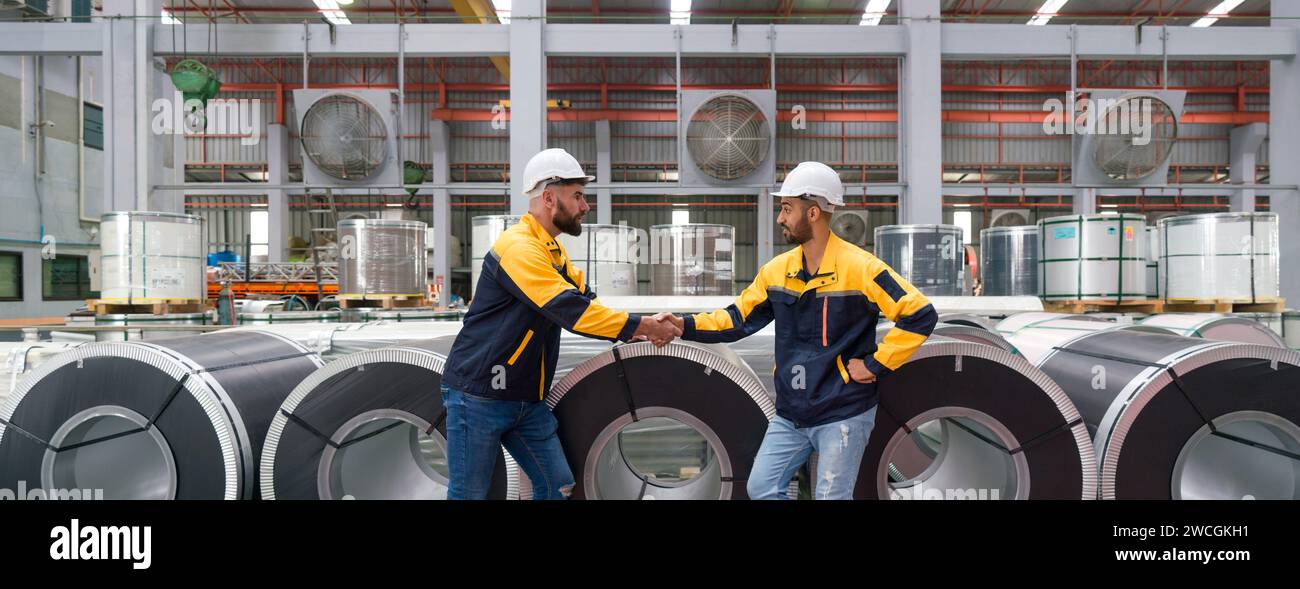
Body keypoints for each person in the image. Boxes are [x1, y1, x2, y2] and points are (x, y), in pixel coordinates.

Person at [440, 148, 681, 500]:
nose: (585, 206)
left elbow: (587, 302)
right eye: (578, 196)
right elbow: (571, 311)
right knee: (470, 494)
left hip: (526, 400)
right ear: (550, 198)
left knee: (558, 485)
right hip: (478, 397)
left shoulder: (551, 250)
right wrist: (641, 326)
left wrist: (633, 329)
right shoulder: (518, 248)